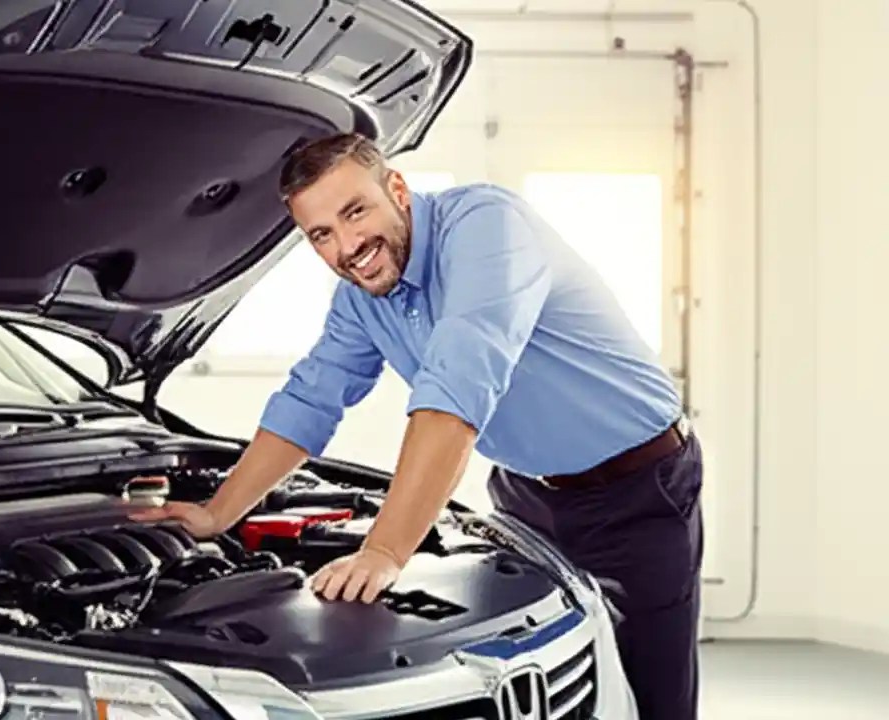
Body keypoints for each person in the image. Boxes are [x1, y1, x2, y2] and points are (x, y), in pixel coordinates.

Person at [128, 132, 703, 720]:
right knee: (533, 688)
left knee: (652, 691)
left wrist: (384, 549)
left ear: (397, 189)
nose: (348, 246)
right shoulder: (361, 297)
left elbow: (458, 385)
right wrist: (217, 514)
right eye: (320, 234)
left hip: (639, 484)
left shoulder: (486, 230)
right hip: (526, 492)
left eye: (355, 212)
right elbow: (312, 398)